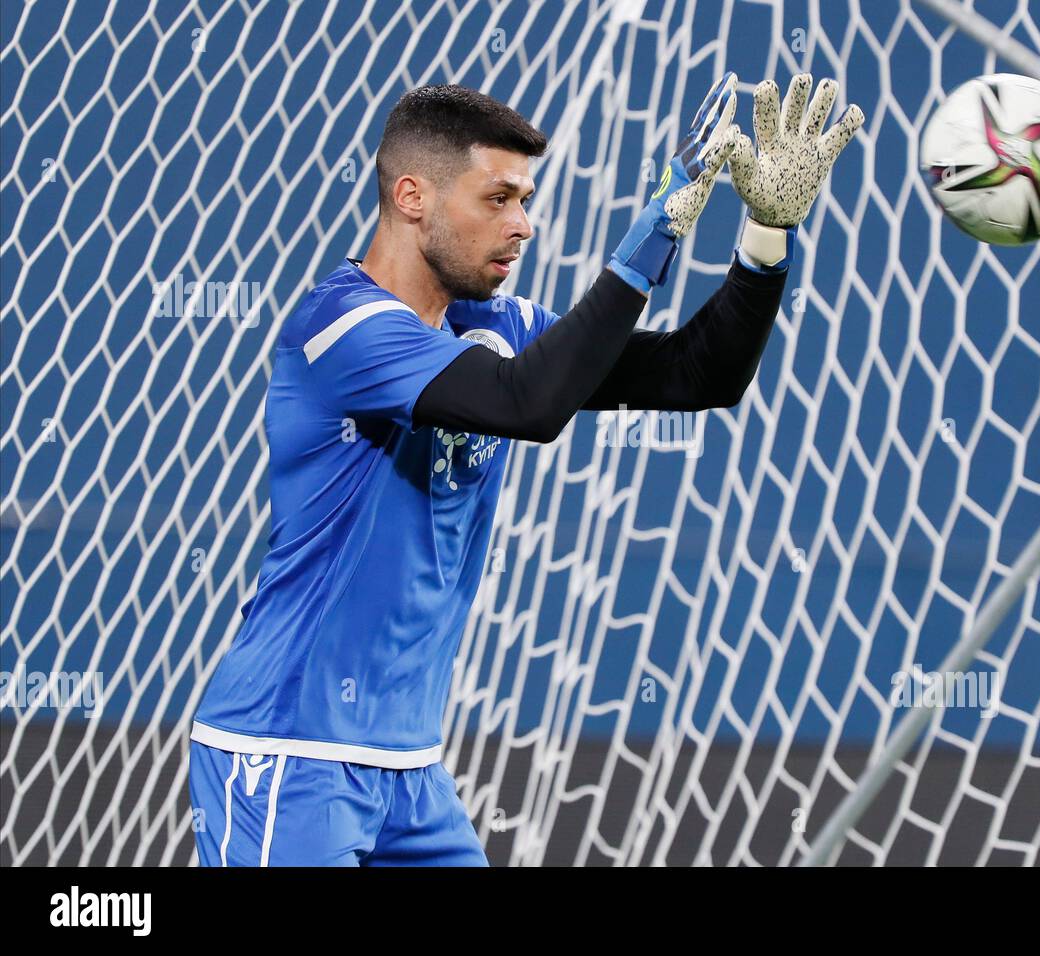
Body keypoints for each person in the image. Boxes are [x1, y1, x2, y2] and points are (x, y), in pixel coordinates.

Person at [188, 73, 862, 865]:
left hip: (409, 771)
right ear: (412, 197)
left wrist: (766, 236)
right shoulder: (343, 326)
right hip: (287, 753)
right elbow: (527, 405)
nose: (524, 225)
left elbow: (695, 376)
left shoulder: (493, 324)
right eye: (498, 199)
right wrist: (656, 230)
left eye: (526, 201)